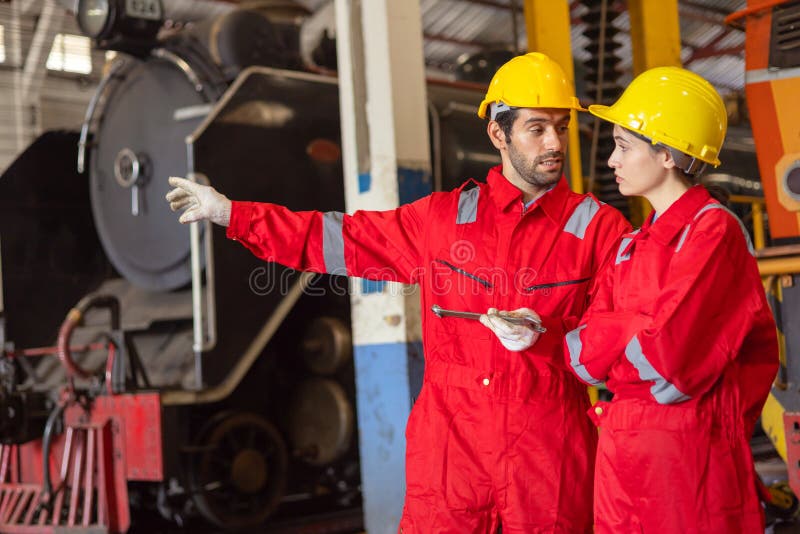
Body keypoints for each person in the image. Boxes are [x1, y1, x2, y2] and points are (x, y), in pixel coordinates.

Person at [165, 52, 631, 533]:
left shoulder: (600, 230)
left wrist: (549, 335)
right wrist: (234, 215)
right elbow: (336, 239)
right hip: (452, 464)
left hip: (547, 465)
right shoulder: (441, 221)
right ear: (499, 134)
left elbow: (619, 340)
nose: (554, 142)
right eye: (537, 128)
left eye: (560, 126)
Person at [548, 66, 778, 532]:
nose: (612, 161)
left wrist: (619, 330)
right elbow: (581, 357)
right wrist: (636, 326)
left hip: (691, 467)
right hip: (621, 463)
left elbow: (671, 361)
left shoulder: (713, 233)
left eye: (624, 146)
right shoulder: (631, 244)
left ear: (669, 154)